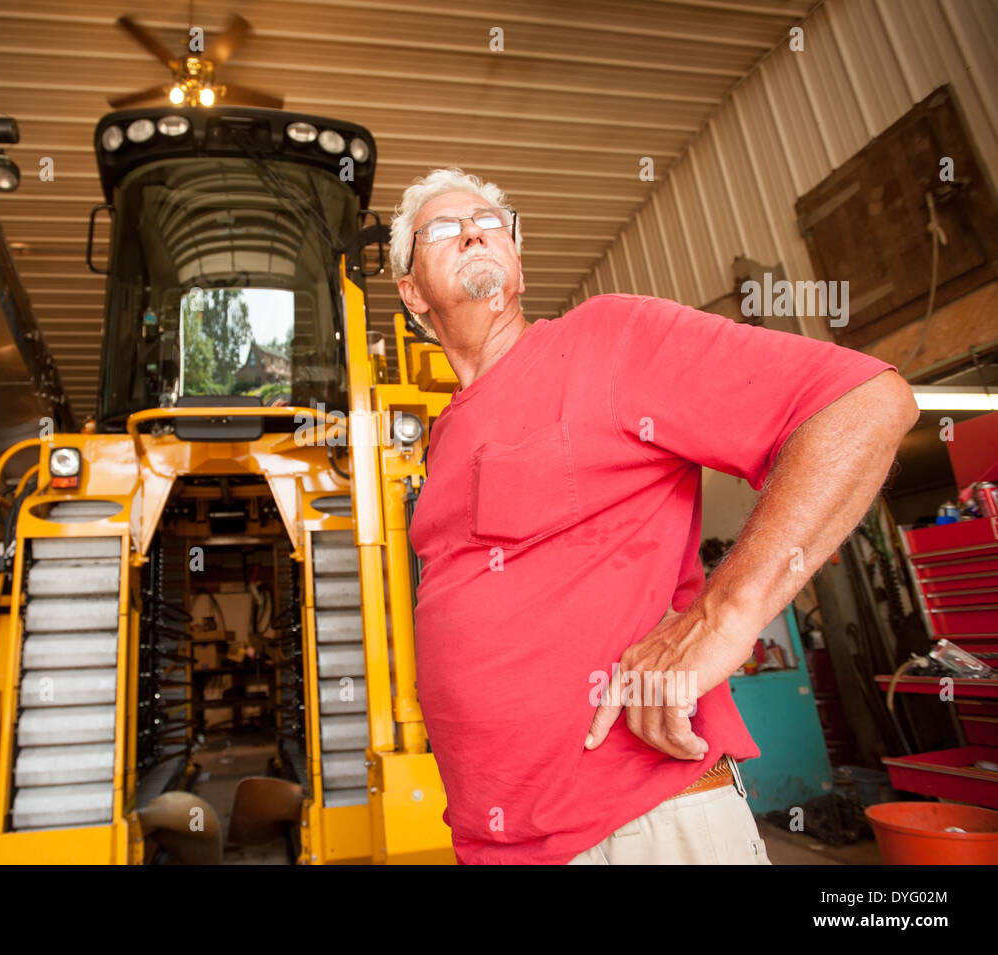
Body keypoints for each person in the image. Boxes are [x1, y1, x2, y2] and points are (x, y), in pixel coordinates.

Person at [392, 167, 920, 864]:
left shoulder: (607, 338)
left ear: (517, 260)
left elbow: (864, 404)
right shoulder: (446, 433)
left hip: (638, 832)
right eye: (443, 227)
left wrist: (722, 614)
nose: (472, 230)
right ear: (409, 291)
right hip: (499, 844)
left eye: (491, 221)